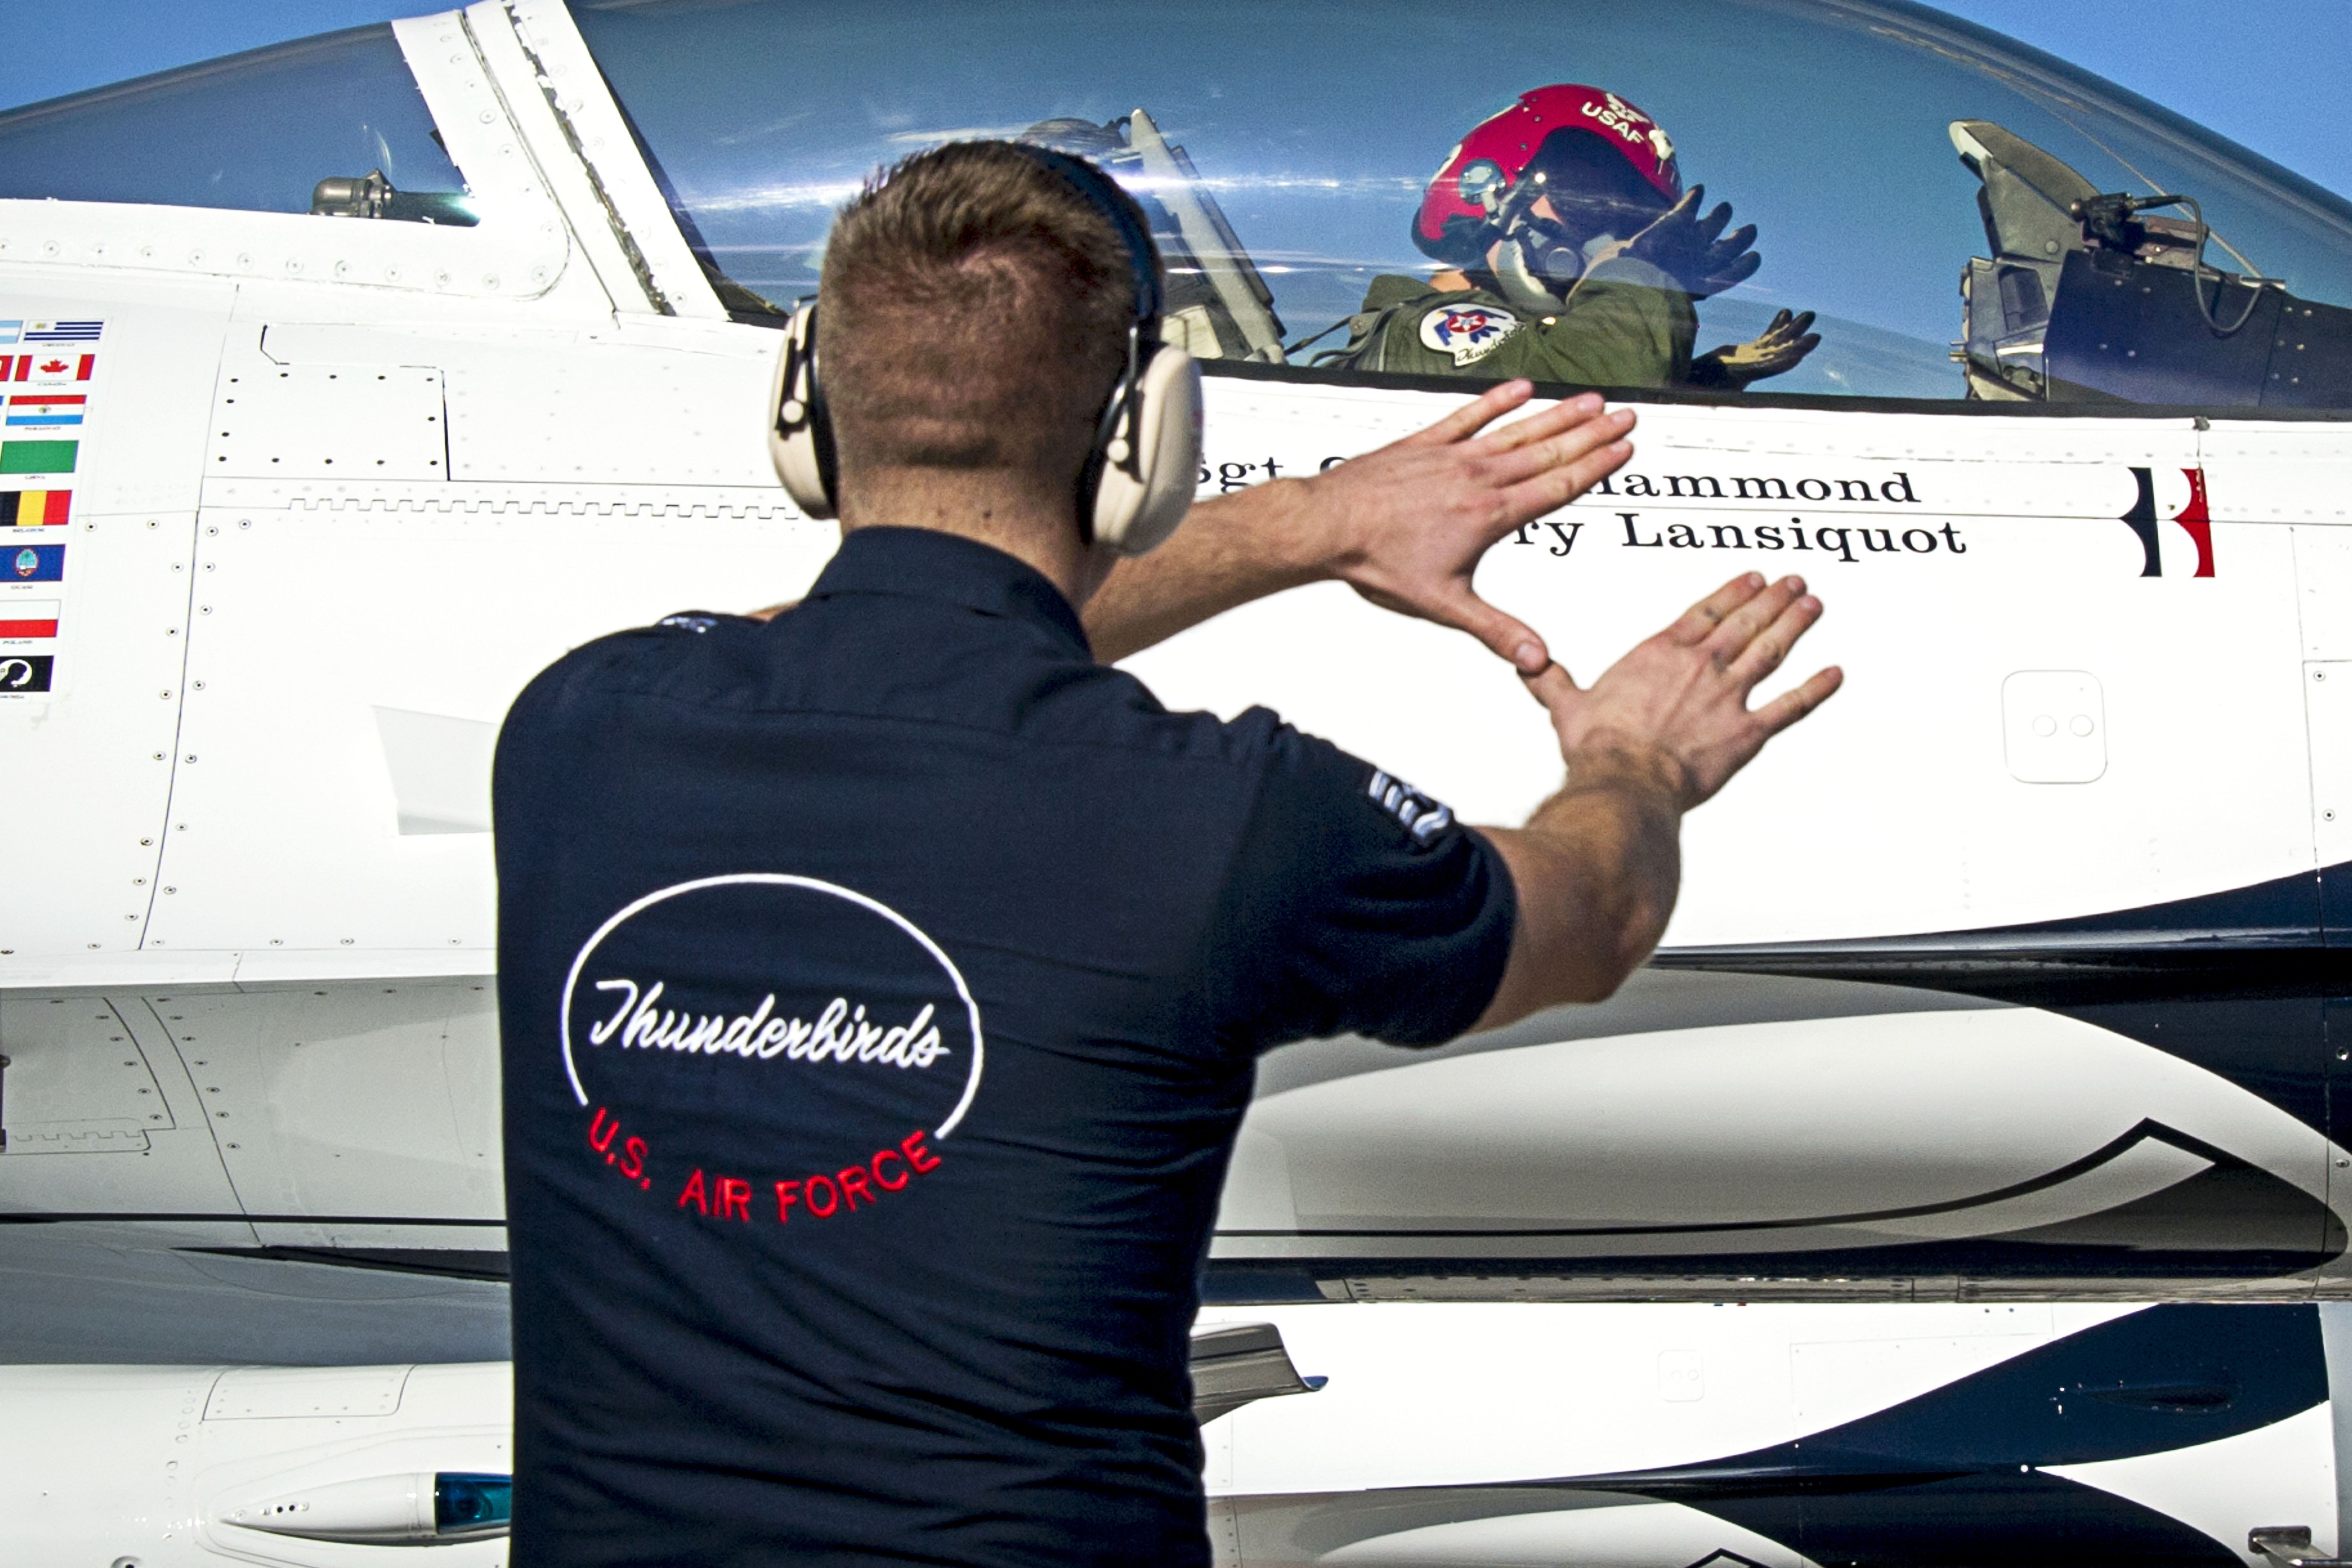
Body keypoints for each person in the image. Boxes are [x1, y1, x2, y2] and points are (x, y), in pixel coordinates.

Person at [493, 140, 1839, 1568]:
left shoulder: (582, 729)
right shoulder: (1240, 818)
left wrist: (1311, 521)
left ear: (802, 405)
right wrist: (1636, 760)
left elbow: (866, 641)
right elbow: (1596, 913)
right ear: (1149, 431)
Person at [1313, 84, 1820, 392]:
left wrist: (1710, 377)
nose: (1609, 239)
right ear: (1491, 190)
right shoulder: (1422, 331)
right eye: (1584, 197)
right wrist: (1638, 281)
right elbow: (1587, 404)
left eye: (1629, 225)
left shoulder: (1521, 350)